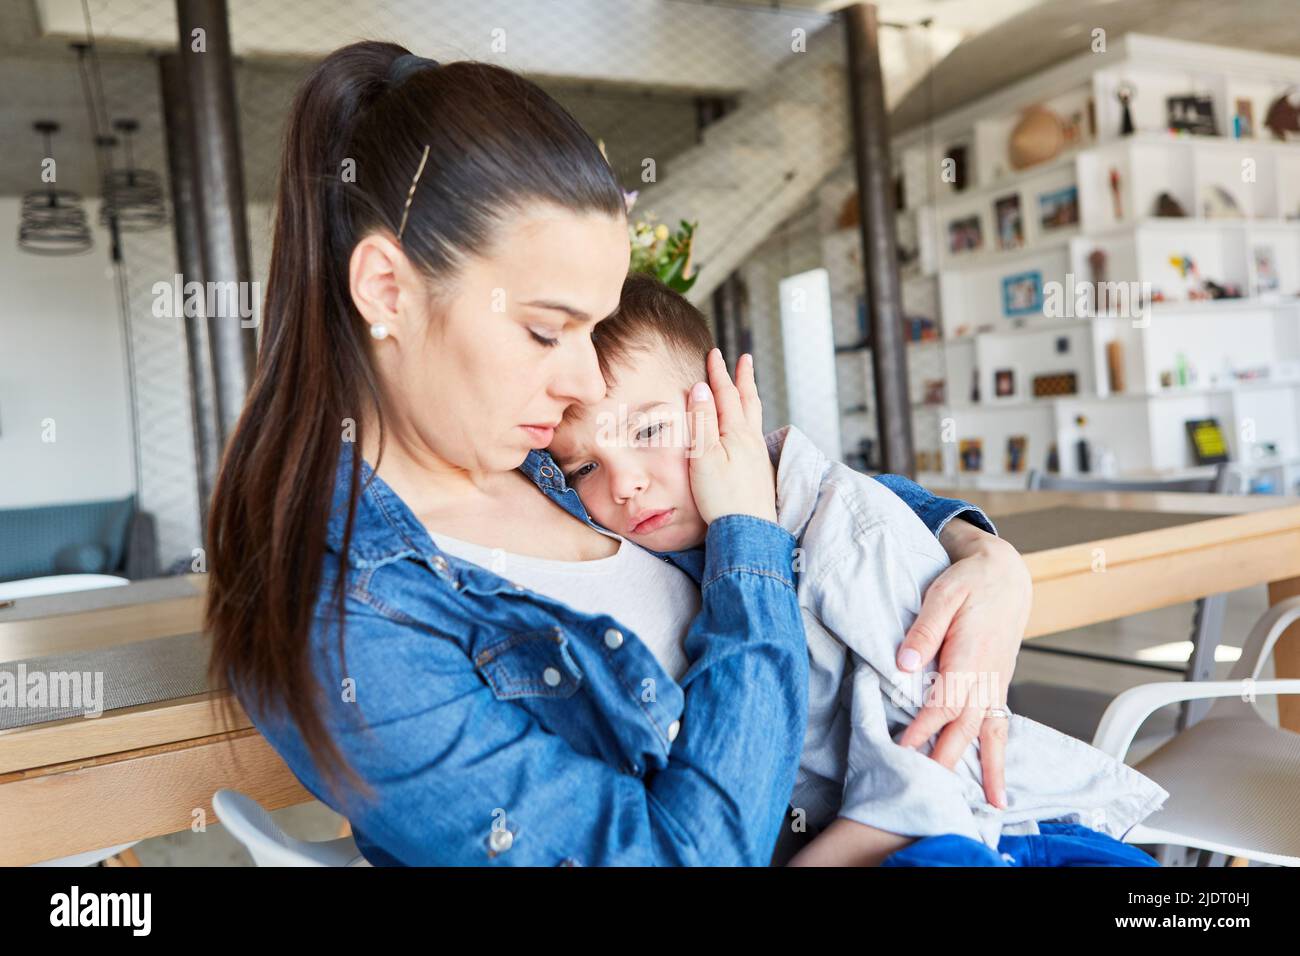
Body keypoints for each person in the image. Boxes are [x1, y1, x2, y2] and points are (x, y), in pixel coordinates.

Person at [205, 41, 1032, 866]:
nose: (582, 378)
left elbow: (802, 491)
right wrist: (746, 543)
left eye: (594, 329)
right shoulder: (353, 626)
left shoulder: (530, 456)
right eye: (543, 328)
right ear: (386, 289)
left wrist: (983, 559)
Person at [547, 274, 1168, 866]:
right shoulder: (652, 543)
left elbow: (936, 751)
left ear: (731, 405)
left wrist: (989, 553)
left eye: (650, 429)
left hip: (977, 831)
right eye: (584, 469)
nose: (624, 482)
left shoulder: (843, 534)